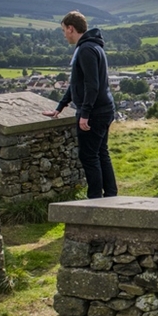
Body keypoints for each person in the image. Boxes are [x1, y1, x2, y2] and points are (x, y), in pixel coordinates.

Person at [42, 11, 118, 198]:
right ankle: (110, 195)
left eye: (63, 31)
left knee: (89, 156)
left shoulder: (85, 50)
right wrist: (60, 107)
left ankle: (95, 200)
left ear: (71, 28)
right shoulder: (93, 46)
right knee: (101, 152)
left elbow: (92, 85)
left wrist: (85, 114)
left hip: (95, 112)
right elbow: (77, 84)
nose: (64, 35)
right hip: (104, 108)